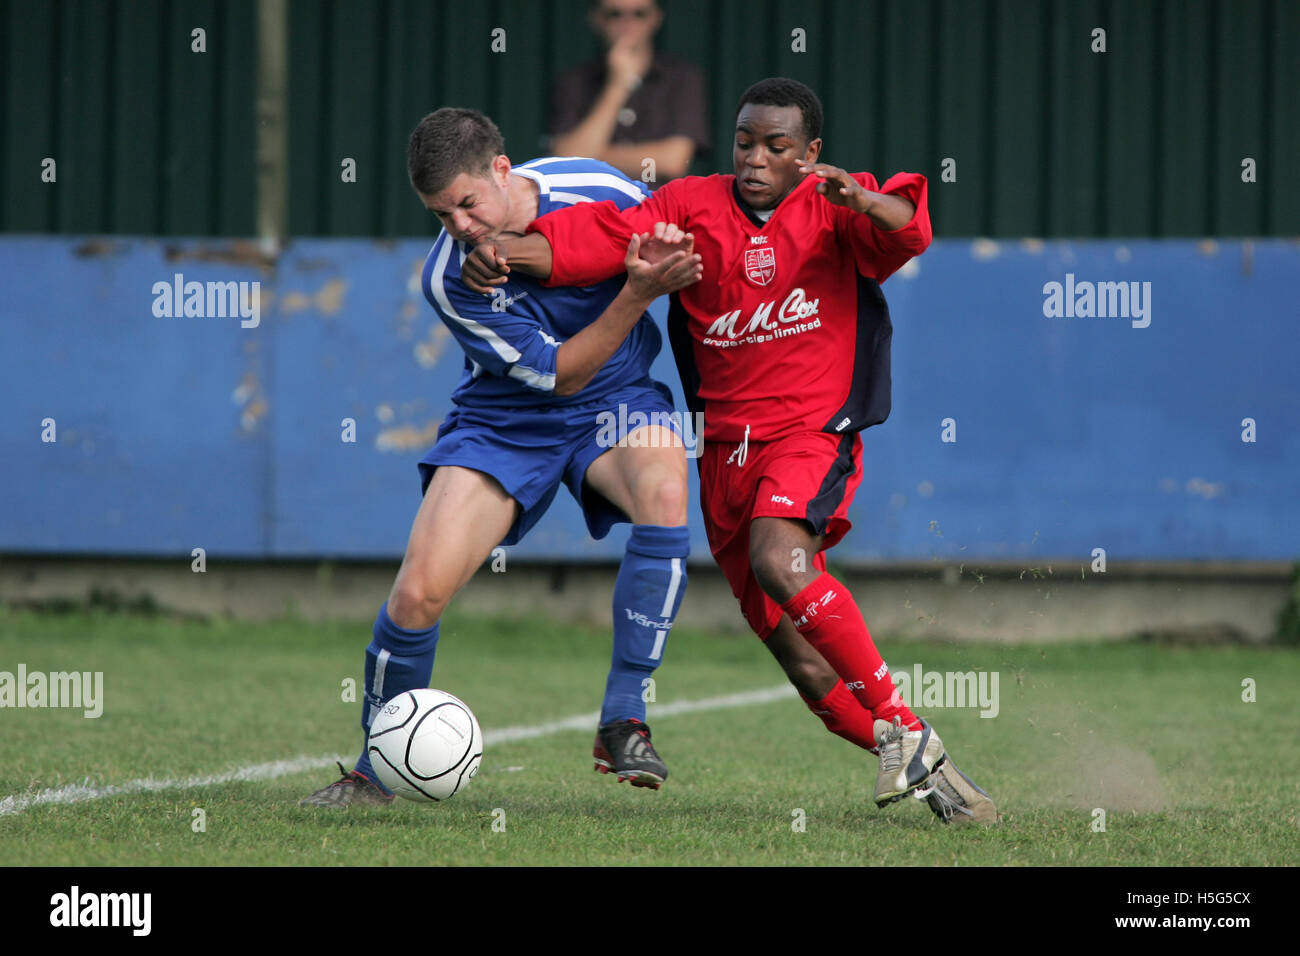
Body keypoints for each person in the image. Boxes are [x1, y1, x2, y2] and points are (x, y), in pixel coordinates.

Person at [461, 78, 998, 824]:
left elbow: (908, 227)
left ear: (809, 153)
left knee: (784, 561)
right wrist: (502, 252)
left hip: (810, 435)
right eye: (745, 142)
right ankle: (937, 772)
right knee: (806, 668)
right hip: (723, 452)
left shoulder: (837, 207)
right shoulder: (687, 207)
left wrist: (864, 201)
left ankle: (904, 730)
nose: (755, 159)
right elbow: (596, 242)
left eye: (777, 147)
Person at [300, 107, 703, 807]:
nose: (458, 225)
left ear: (502, 170)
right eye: (439, 213)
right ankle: (373, 769)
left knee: (667, 499)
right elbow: (559, 373)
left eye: (466, 202)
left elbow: (676, 239)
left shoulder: (597, 188)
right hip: (507, 421)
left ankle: (624, 719)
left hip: (618, 402)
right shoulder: (448, 279)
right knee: (418, 592)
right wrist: (638, 295)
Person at [550, 0, 709, 186]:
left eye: (639, 14)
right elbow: (565, 161)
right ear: (596, 19)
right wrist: (617, 86)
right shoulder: (573, 81)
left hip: (655, 208)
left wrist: (590, 154)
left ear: (656, 18)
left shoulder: (682, 77)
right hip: (591, 207)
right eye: (615, 14)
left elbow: (674, 161)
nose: (627, 23)